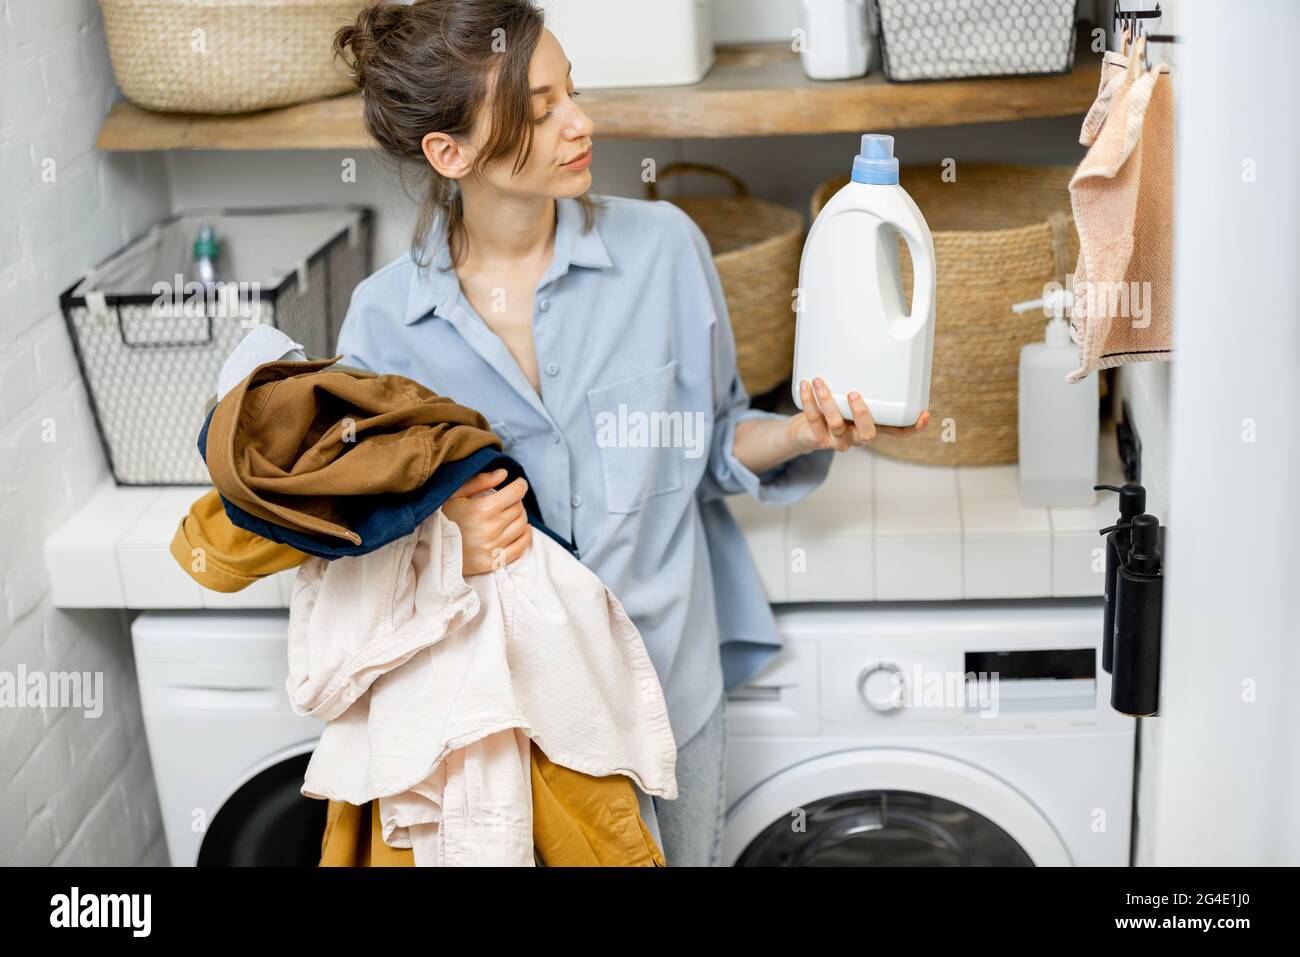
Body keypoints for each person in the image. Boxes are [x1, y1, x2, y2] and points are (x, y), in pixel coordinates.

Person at [331, 0, 929, 866]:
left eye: (572, 92)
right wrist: (447, 530)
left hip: (666, 697)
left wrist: (800, 433)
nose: (582, 123)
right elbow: (346, 533)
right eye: (540, 111)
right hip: (504, 728)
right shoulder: (384, 323)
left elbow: (713, 444)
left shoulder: (665, 251)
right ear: (448, 153)